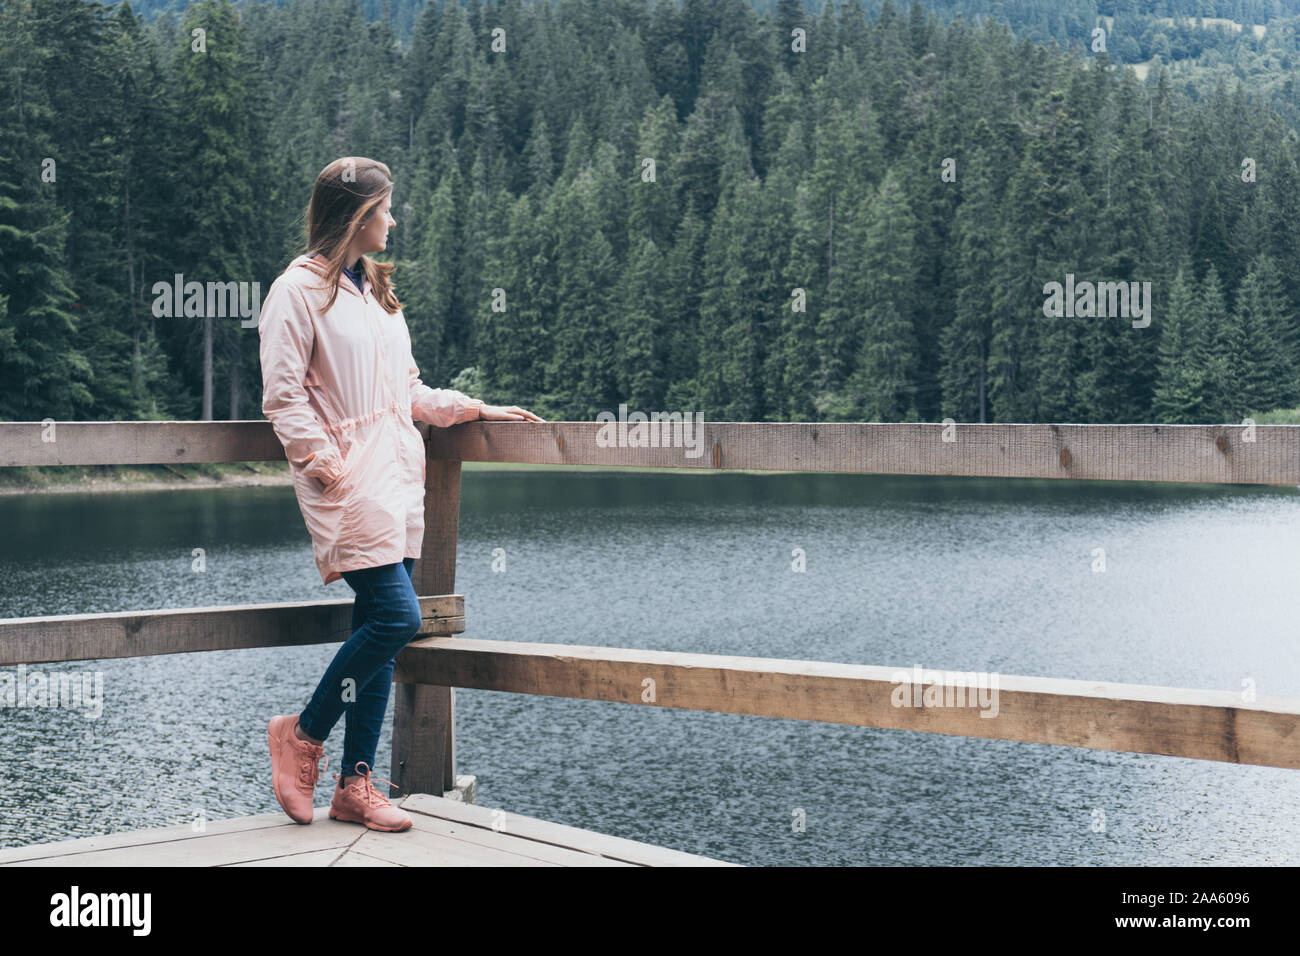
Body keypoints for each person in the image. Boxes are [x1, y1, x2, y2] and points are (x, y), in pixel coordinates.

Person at [258, 156, 543, 831]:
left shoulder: (376, 292)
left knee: (377, 634)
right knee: (397, 619)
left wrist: (472, 409)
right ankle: (301, 732)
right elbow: (282, 394)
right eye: (385, 207)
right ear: (355, 215)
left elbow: (406, 391)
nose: (394, 218)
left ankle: (355, 787)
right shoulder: (296, 292)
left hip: (399, 478)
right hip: (349, 479)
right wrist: (321, 460)